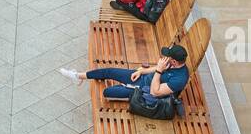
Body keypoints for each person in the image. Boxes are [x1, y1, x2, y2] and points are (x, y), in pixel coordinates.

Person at [59, 45, 189, 112]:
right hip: (141, 79)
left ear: (174, 61)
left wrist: (160, 70)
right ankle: (78, 76)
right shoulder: (172, 63)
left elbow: (155, 92)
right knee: (109, 71)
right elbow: (156, 68)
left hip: (143, 92)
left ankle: (125, 88)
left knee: (108, 93)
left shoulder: (180, 79)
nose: (163, 58)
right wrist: (142, 71)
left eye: (167, 57)